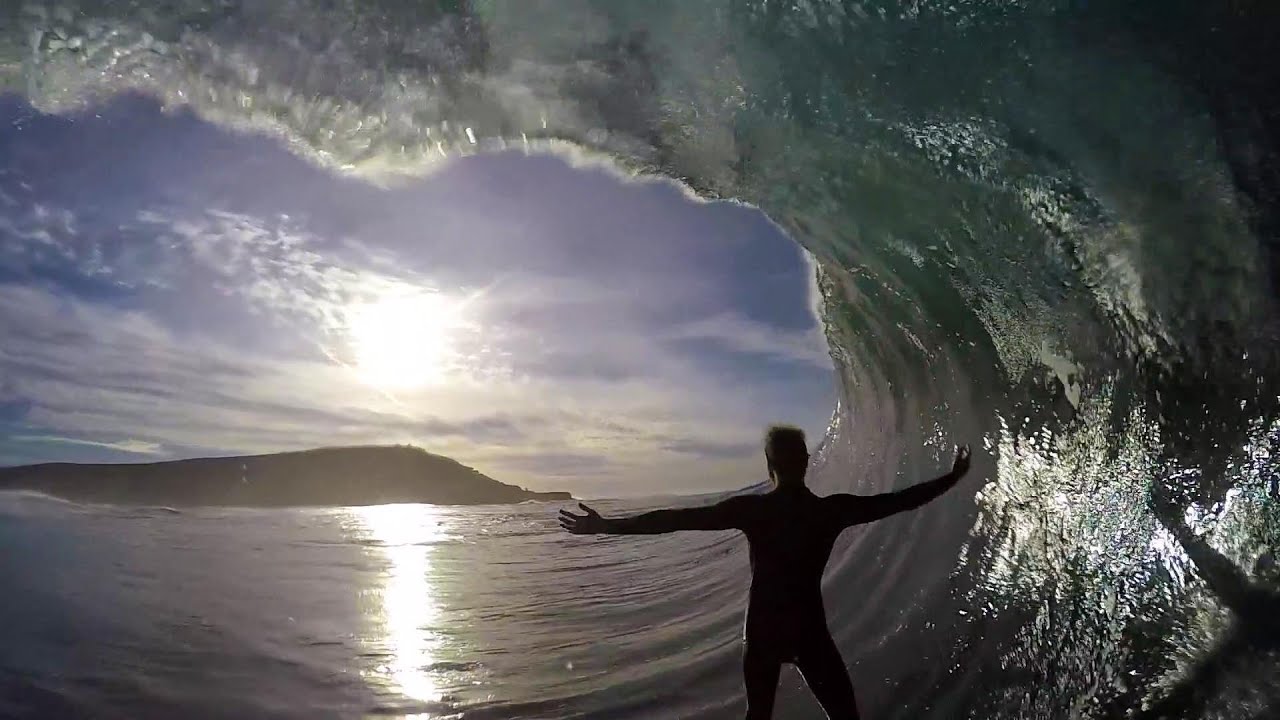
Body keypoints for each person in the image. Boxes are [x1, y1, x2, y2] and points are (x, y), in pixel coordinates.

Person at [559, 425, 973, 719]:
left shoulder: (755, 512)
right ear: (807, 461)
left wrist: (607, 526)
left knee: (758, 716)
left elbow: (676, 518)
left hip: (762, 631)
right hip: (808, 631)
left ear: (768, 465)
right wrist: (951, 478)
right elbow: (899, 501)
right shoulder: (829, 512)